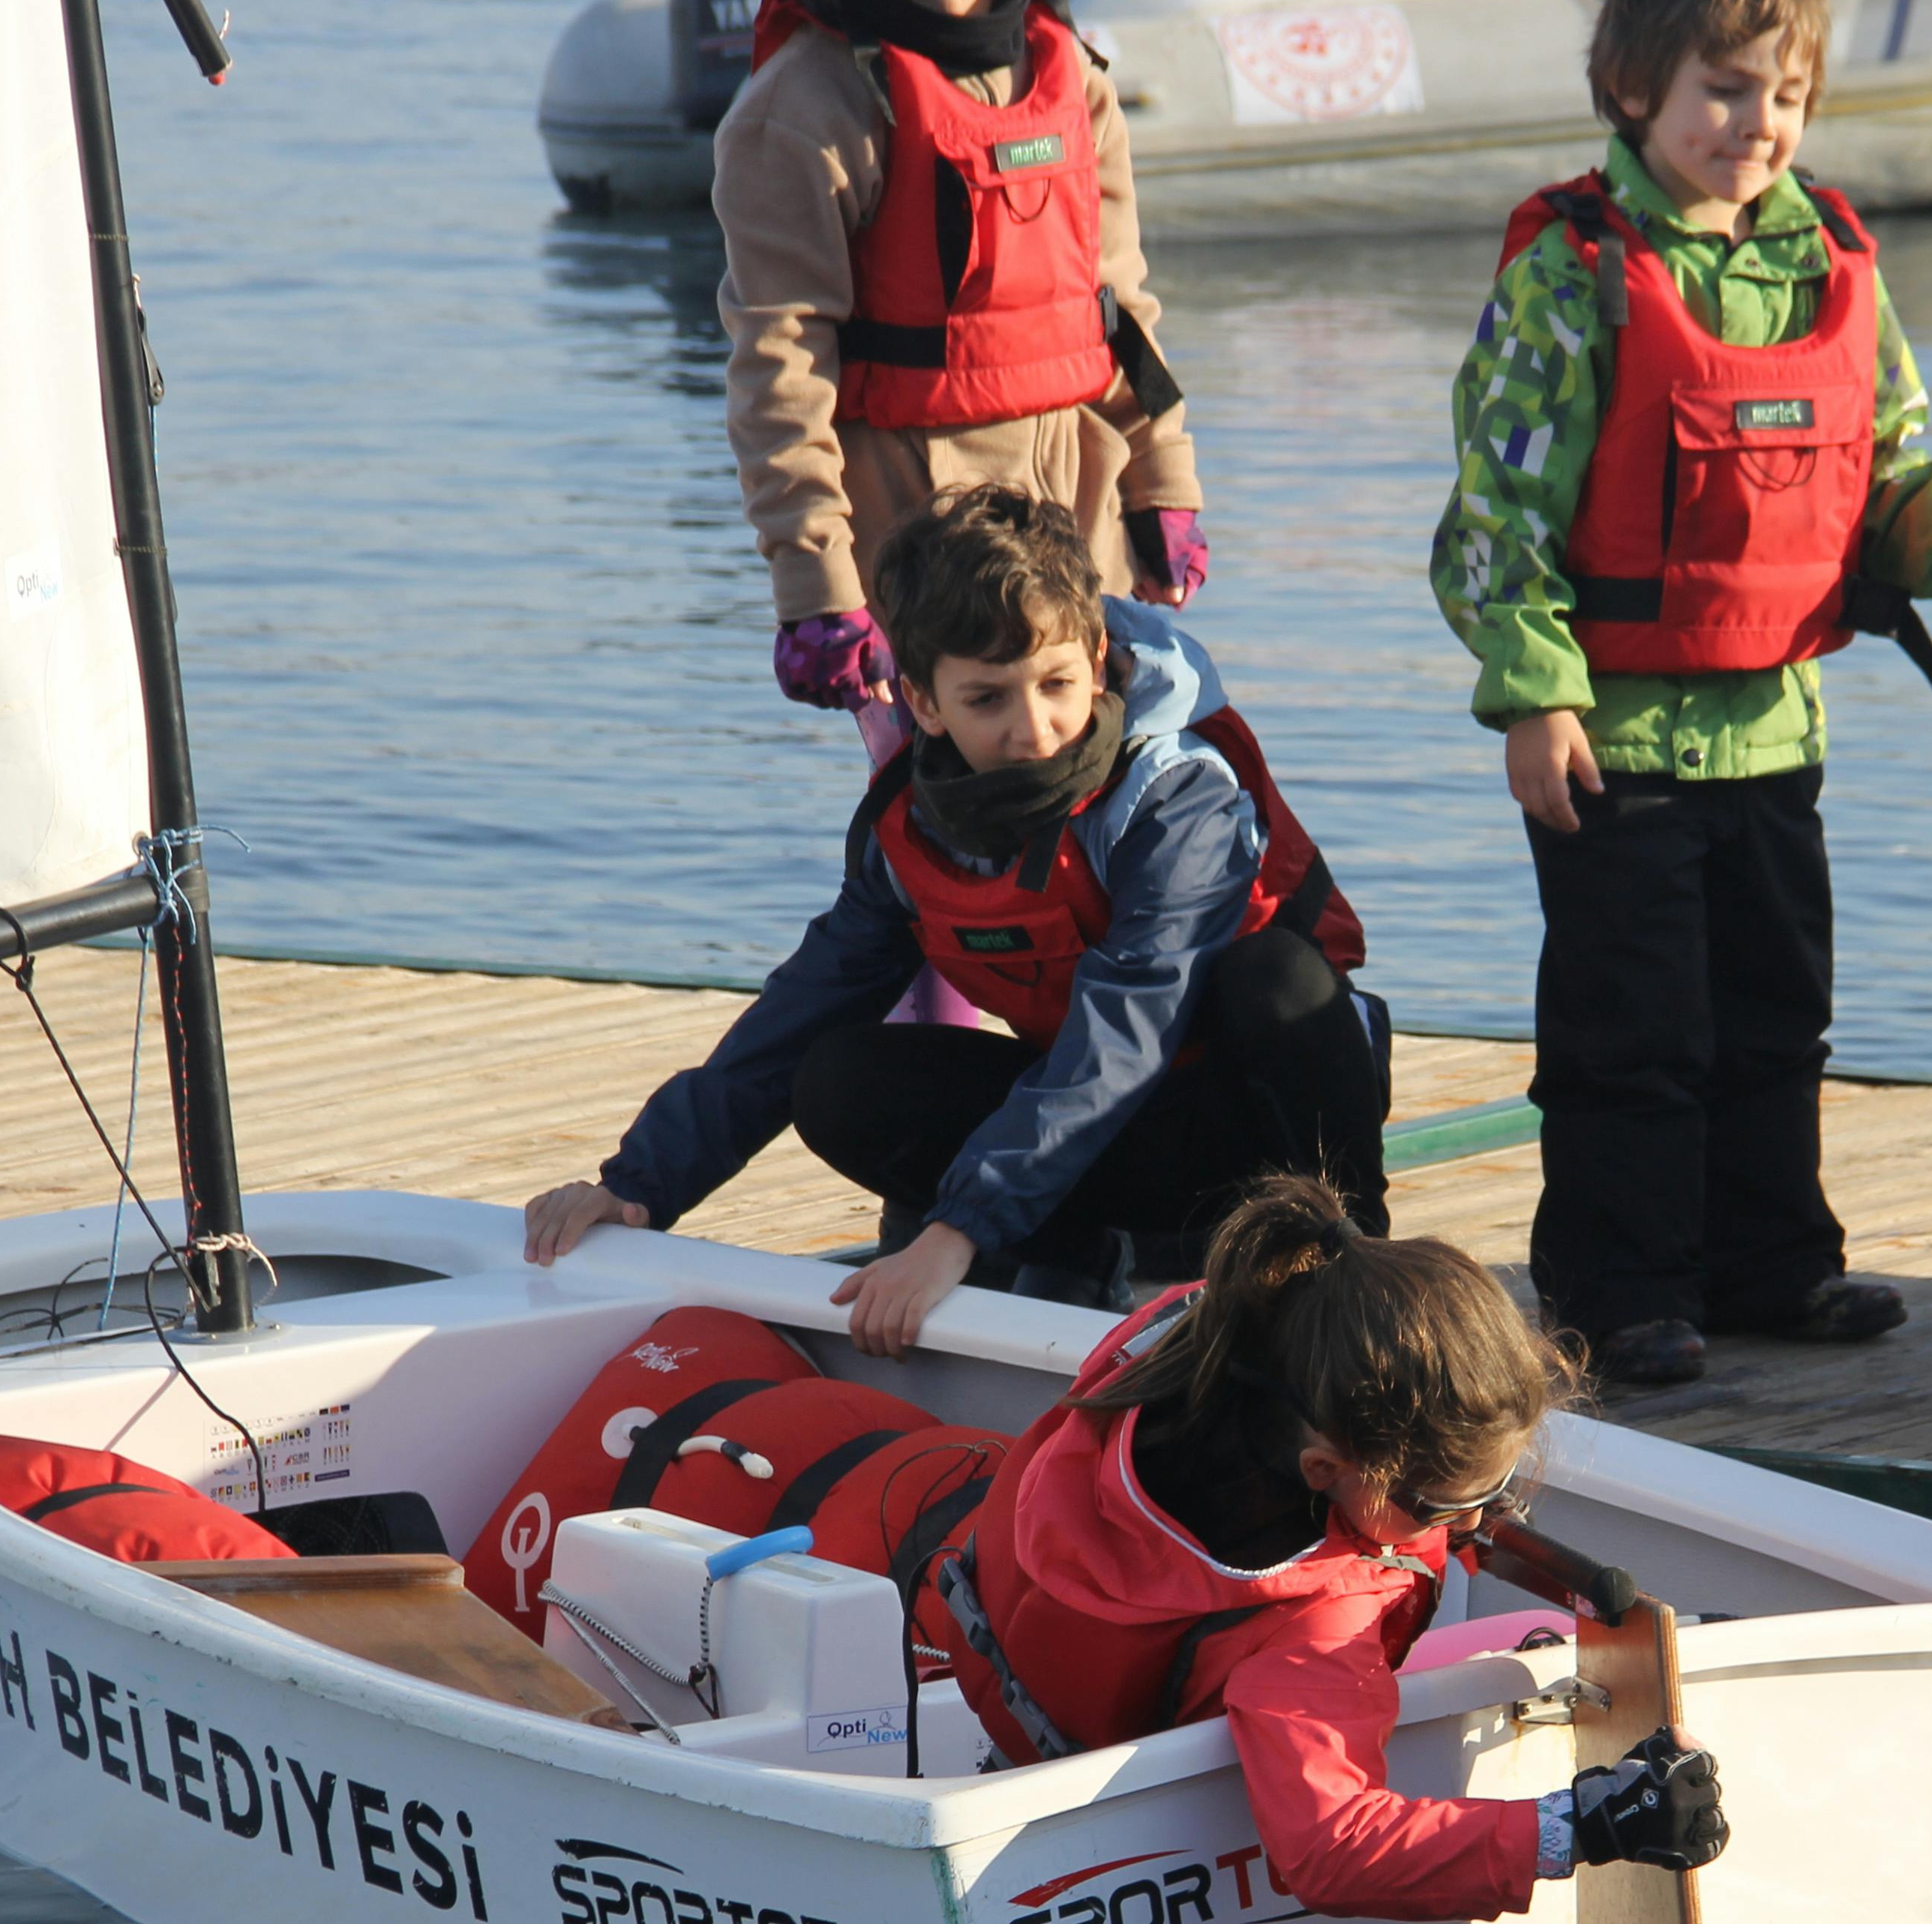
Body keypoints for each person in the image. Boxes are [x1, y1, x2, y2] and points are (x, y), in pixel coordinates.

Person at [1430, 0, 1932, 1390]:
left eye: (1783, 95)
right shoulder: (1571, 275)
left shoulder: (1830, 253)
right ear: (1630, 88)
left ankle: (1776, 1264)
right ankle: (1618, 1288)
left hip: (1777, 724)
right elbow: (1493, 518)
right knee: (1633, 1032)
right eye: (1722, 91)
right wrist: (1531, 694)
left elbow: (1886, 459)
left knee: (1774, 1014)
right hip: (1618, 739)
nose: (1755, 124)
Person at [524, 489, 1386, 1353]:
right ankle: (1065, 1253)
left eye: (1056, 684)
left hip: (1248, 1123)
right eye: (987, 699)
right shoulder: (910, 823)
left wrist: (956, 1231)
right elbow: (800, 1010)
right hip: (1099, 1134)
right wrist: (636, 1186)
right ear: (924, 703)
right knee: (837, 1078)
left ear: (1096, 658)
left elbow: (1126, 1029)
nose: (1034, 730)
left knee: (1277, 978)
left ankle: (1354, 1271)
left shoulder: (1176, 795)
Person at [910, 1173, 1730, 1922]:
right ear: (1326, 1469)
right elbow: (1333, 1851)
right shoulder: (1312, 1633)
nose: (1467, 1523)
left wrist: (1444, 1508)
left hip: (1020, 1703)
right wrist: (1580, 1827)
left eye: (1494, 1491)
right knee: (1524, 1654)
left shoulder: (1210, 1335)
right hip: (1124, 1821)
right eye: (1444, 1505)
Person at [718, 0, 1206, 753]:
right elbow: (780, 366)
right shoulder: (801, 109)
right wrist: (815, 584)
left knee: (1122, 802)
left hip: (1081, 517)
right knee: (960, 840)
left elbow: (1121, 307)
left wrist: (1164, 479)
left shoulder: (1071, 73)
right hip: (920, 550)